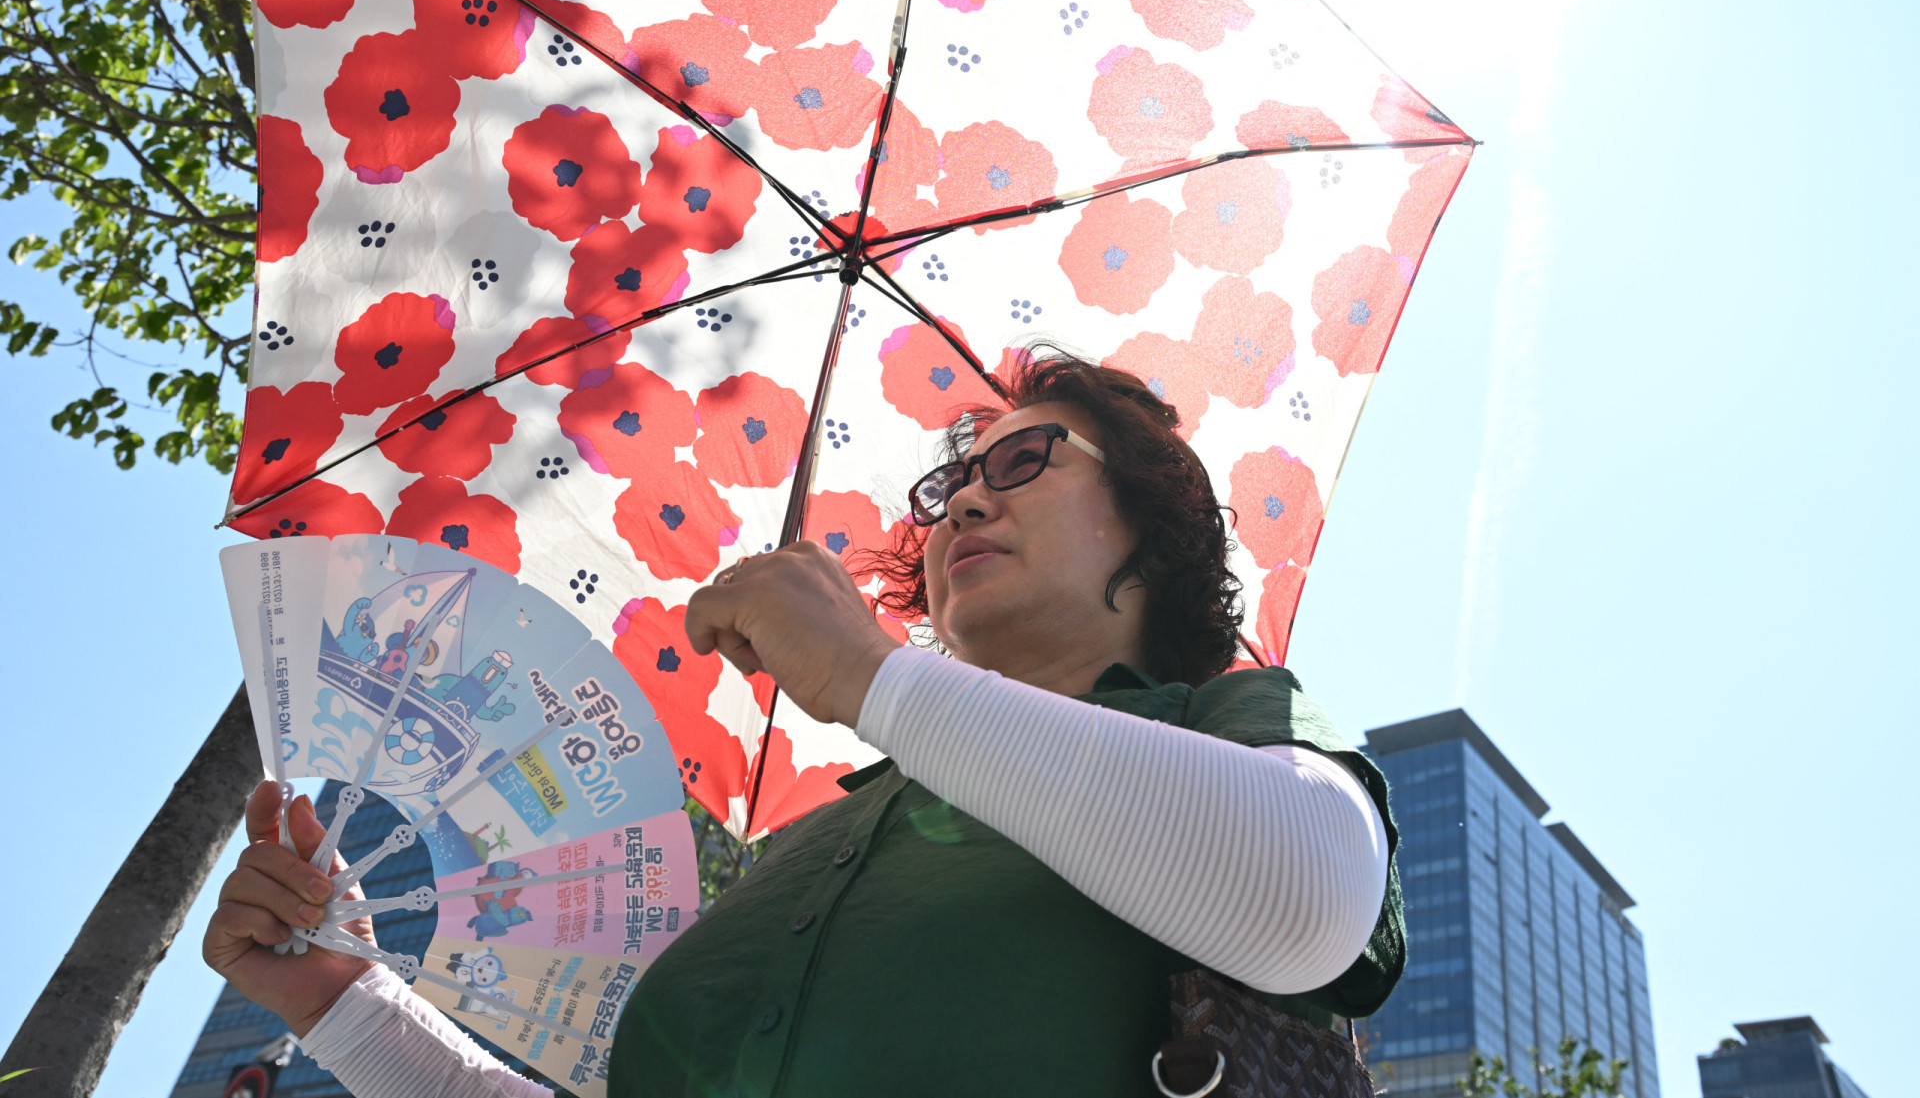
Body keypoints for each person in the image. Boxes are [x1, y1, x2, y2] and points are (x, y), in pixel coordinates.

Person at [205, 352, 1402, 1097]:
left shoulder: (1229, 721)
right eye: (945, 489)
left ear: (1156, 527)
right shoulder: (804, 849)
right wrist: (341, 1002)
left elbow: (1307, 901)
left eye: (1027, 457)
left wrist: (871, 674)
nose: (967, 496)